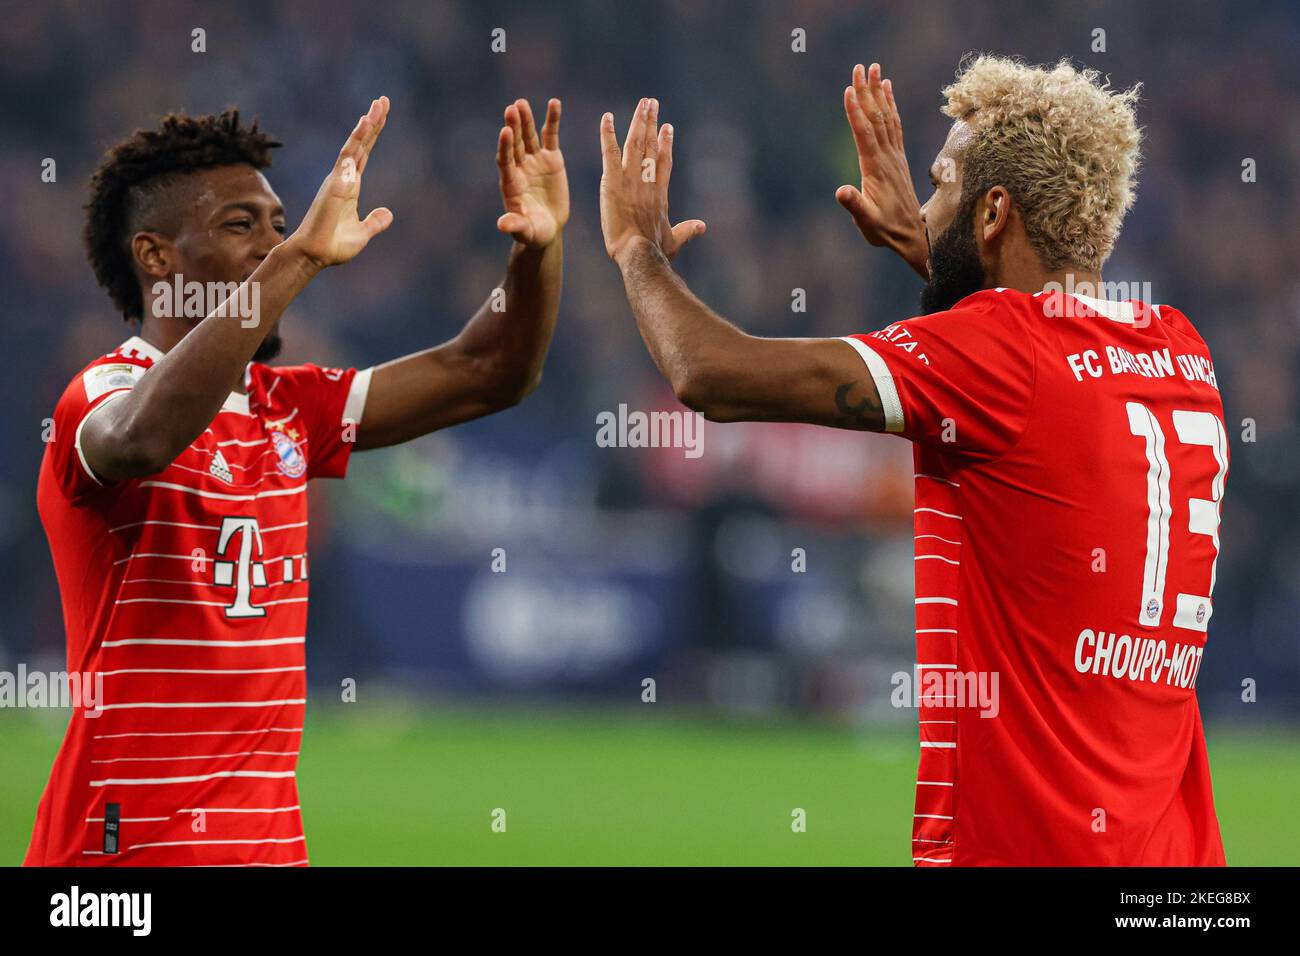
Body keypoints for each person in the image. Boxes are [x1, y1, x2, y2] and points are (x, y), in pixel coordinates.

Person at [598, 57, 1227, 866]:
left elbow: (709, 374)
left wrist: (634, 250)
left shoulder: (998, 357)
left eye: (942, 185)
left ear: (994, 212)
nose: (921, 209)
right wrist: (941, 255)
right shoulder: (1182, 355)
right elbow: (1047, 359)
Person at [27, 95, 569, 866]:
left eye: (279, 225)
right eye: (240, 226)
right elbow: (145, 439)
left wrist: (538, 250)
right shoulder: (103, 394)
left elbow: (489, 372)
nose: (274, 243)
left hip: (268, 847)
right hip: (124, 847)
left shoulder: (291, 407)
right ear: (157, 257)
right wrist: (298, 262)